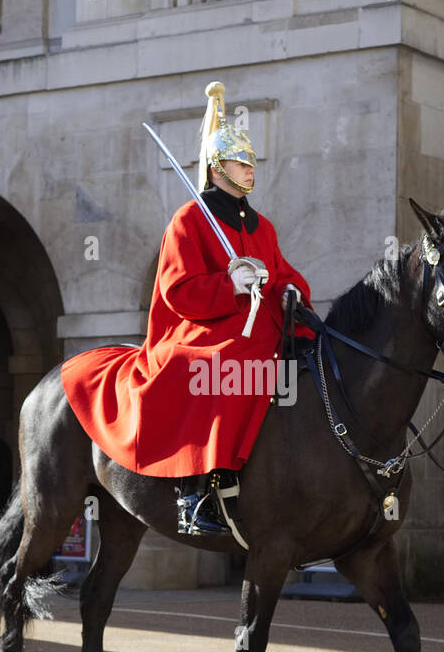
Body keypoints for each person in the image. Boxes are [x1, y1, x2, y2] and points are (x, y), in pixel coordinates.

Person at [61, 81, 313, 536]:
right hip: (200, 327)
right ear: (217, 168)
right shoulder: (190, 220)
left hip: (257, 324)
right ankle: (200, 490)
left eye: (252, 161)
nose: (251, 169)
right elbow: (178, 289)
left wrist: (292, 291)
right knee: (222, 363)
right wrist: (229, 283)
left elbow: (282, 273)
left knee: (310, 356)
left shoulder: (264, 227)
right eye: (241, 161)